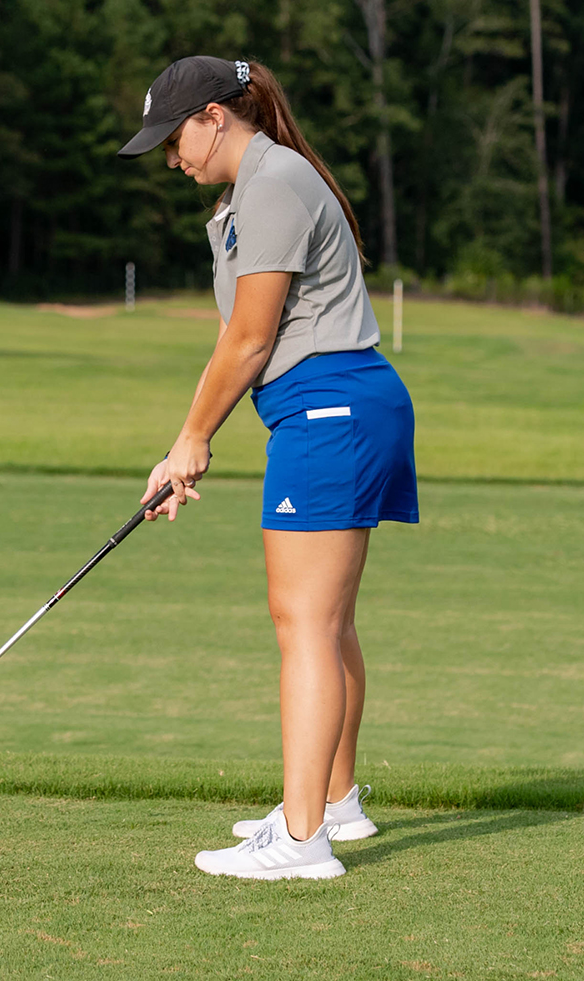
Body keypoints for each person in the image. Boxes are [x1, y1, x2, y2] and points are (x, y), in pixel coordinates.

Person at [117, 56, 419, 880]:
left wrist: (193, 437)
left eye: (173, 139)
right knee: (329, 621)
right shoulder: (248, 194)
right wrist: (187, 442)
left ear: (214, 116)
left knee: (305, 624)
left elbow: (252, 338)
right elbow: (237, 336)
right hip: (336, 408)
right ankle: (334, 803)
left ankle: (302, 839)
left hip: (329, 410)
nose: (170, 158)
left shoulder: (274, 183)